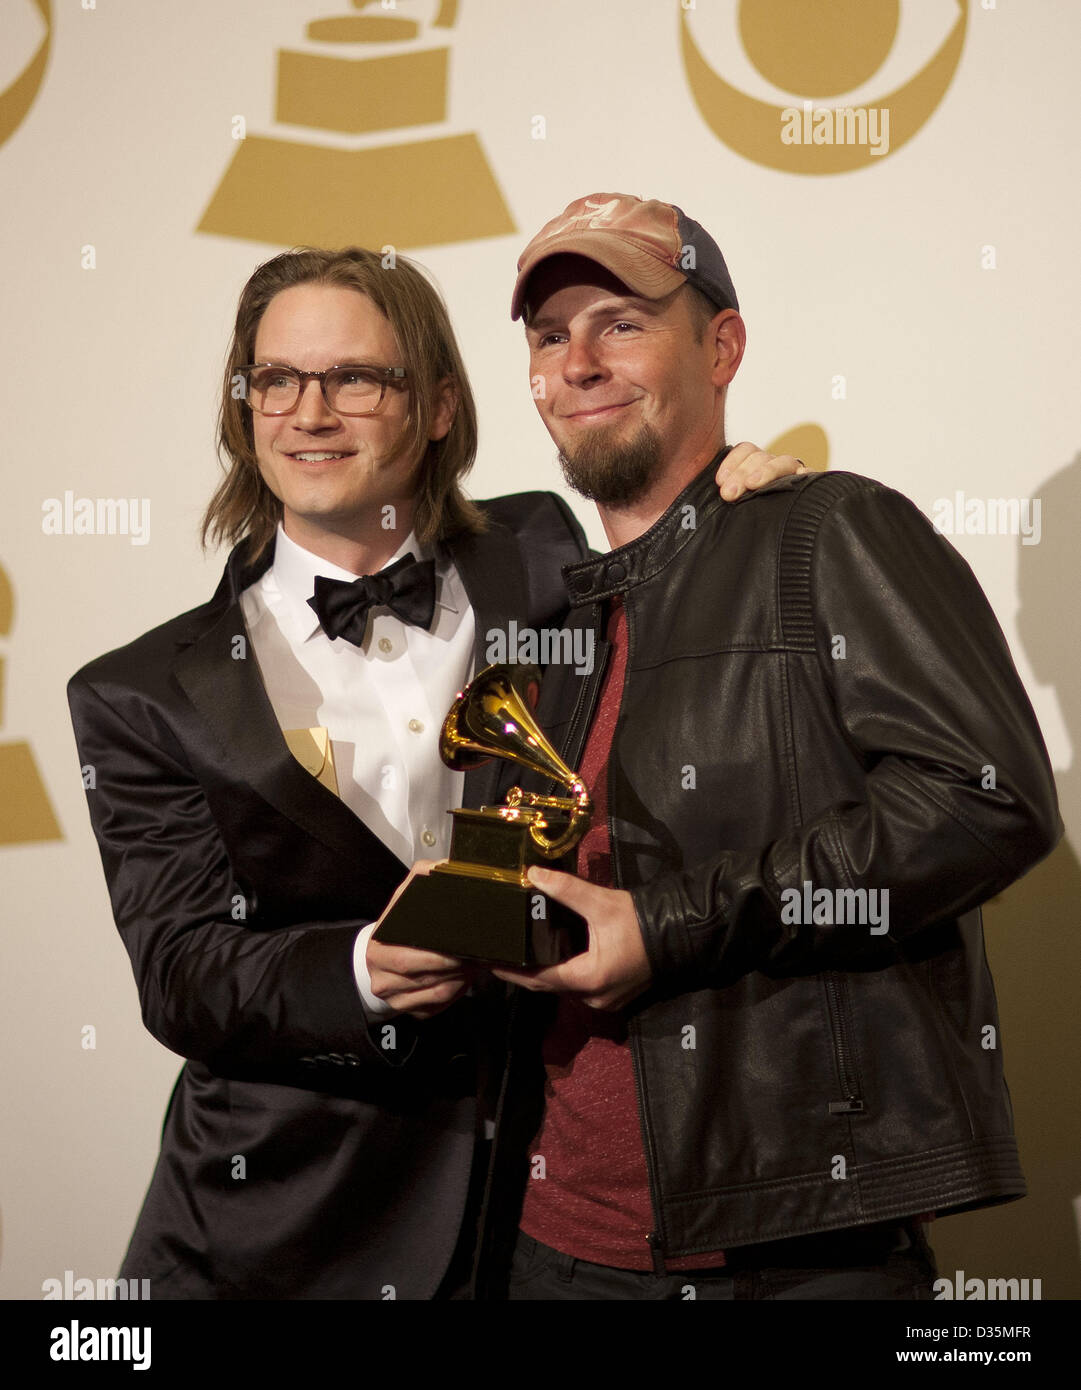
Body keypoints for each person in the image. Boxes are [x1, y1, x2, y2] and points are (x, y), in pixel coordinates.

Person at [66, 244, 794, 1299]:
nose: (309, 412)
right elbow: (183, 971)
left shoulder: (543, 557)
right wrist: (363, 968)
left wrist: (752, 506)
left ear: (439, 403)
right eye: (276, 379)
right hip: (285, 1223)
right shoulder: (138, 693)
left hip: (539, 1212)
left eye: (355, 377)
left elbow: (687, 588)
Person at [478, 193, 1062, 1301]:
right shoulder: (548, 615)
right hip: (549, 1249)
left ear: (722, 344)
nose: (579, 361)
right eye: (550, 337)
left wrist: (669, 923)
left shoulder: (829, 530)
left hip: (788, 1254)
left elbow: (985, 800)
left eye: (622, 322)